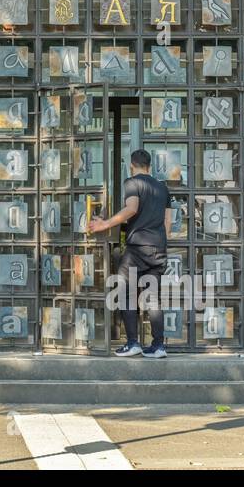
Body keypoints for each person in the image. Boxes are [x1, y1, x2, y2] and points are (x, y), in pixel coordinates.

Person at [88, 148, 172, 358]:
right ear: (149, 166)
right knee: (153, 297)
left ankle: (133, 342)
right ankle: (158, 346)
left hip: (138, 249)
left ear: (131, 165)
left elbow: (132, 208)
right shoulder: (163, 189)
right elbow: (167, 224)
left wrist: (105, 224)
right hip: (159, 248)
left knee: (125, 292)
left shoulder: (132, 183)